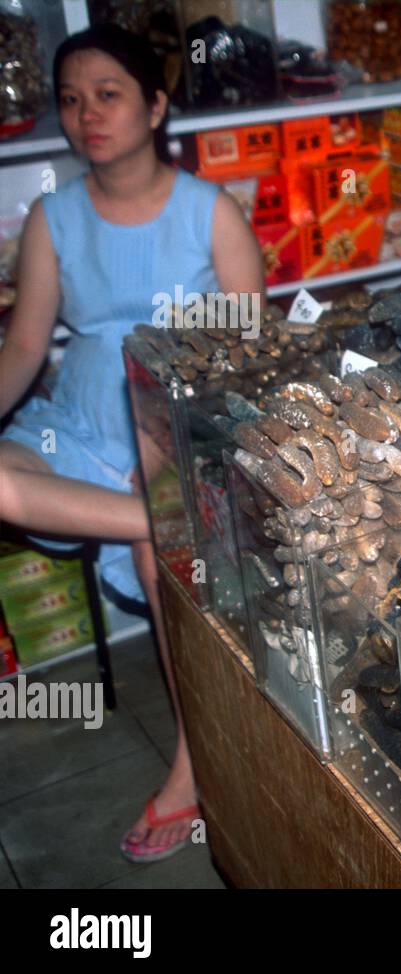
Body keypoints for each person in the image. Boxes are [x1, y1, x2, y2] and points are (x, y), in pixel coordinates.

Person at [0, 25, 264, 862]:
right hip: (75, 422)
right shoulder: (52, 218)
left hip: (172, 419)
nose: (87, 116)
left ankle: (191, 772)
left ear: (154, 106)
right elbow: (22, 349)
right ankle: (144, 520)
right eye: (72, 100)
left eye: (109, 94)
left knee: (164, 562)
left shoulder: (209, 213)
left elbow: (247, 349)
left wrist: (165, 447)